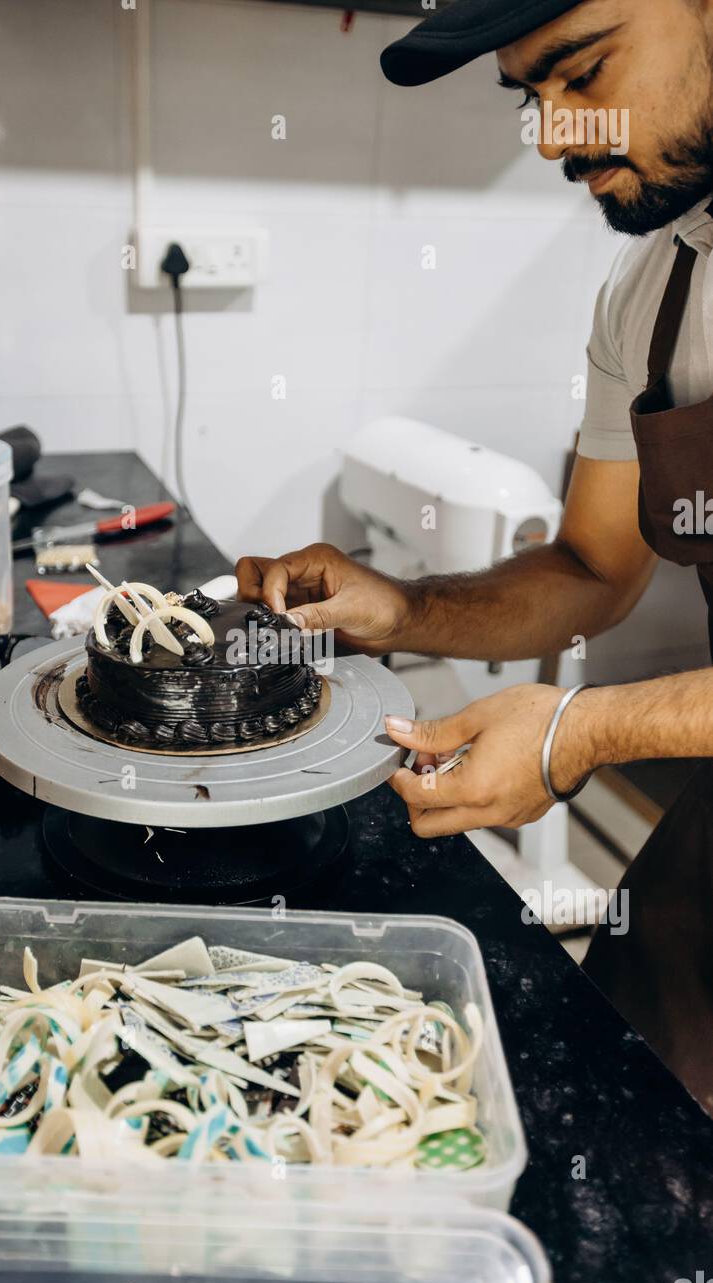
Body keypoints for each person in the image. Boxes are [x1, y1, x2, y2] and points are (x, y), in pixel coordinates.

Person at [237, 0, 713, 1115]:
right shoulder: (651, 298)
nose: (550, 139)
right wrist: (400, 608)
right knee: (614, 1128)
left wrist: (579, 728)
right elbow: (591, 569)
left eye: (583, 74)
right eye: (529, 99)